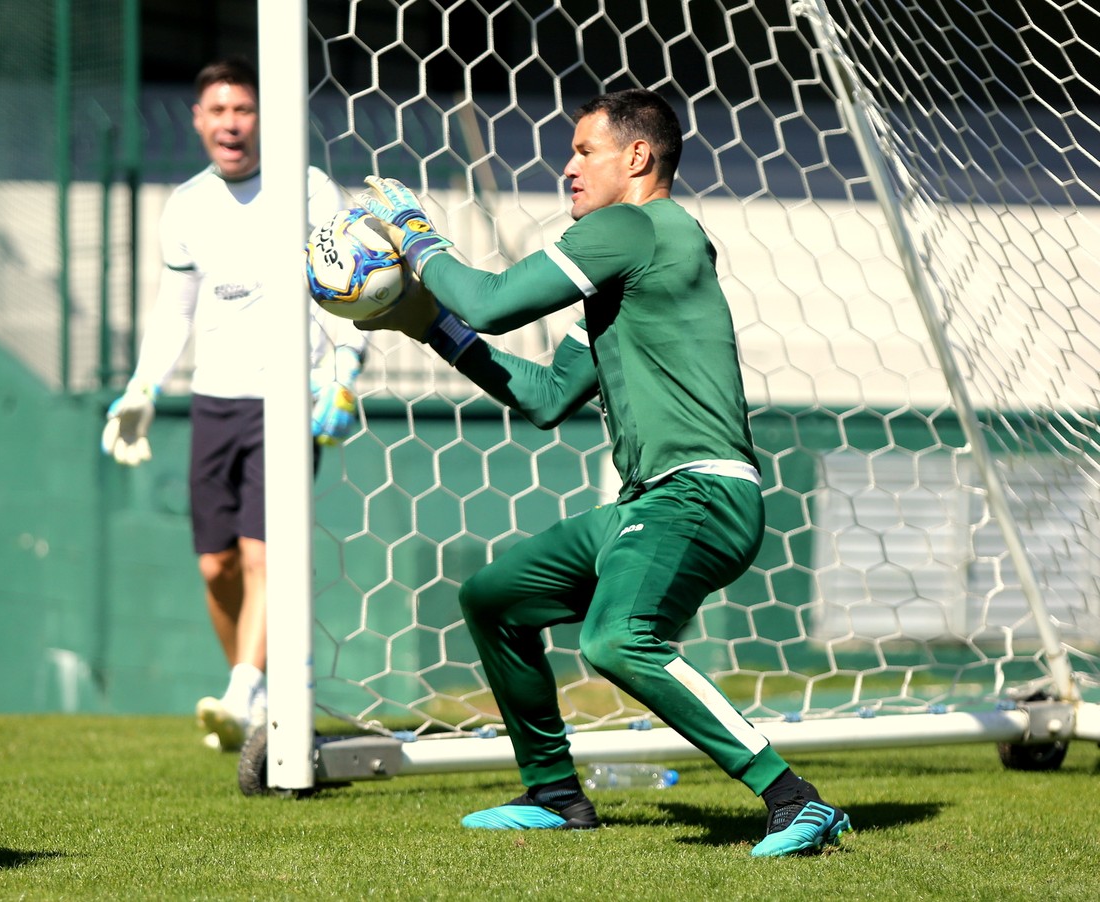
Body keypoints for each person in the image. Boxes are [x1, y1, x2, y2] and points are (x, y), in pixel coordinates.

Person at [357, 88, 851, 857]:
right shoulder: (626, 277)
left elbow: (490, 302)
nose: (568, 166)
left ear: (638, 157)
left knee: (617, 639)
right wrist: (426, 323)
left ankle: (793, 799)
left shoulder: (636, 227)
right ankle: (554, 795)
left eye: (584, 151)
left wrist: (419, 240)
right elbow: (547, 397)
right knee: (493, 599)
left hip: (702, 493)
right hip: (650, 502)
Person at [102, 57, 367, 752]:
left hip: (289, 396)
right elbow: (175, 308)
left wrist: (345, 370)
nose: (230, 123)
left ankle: (245, 689)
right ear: (197, 120)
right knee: (215, 564)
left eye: (243, 109)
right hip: (214, 401)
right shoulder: (186, 204)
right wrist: (142, 387)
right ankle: (249, 695)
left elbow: (345, 287)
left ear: (263, 118)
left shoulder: (306, 189)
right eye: (217, 110)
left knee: (262, 554)